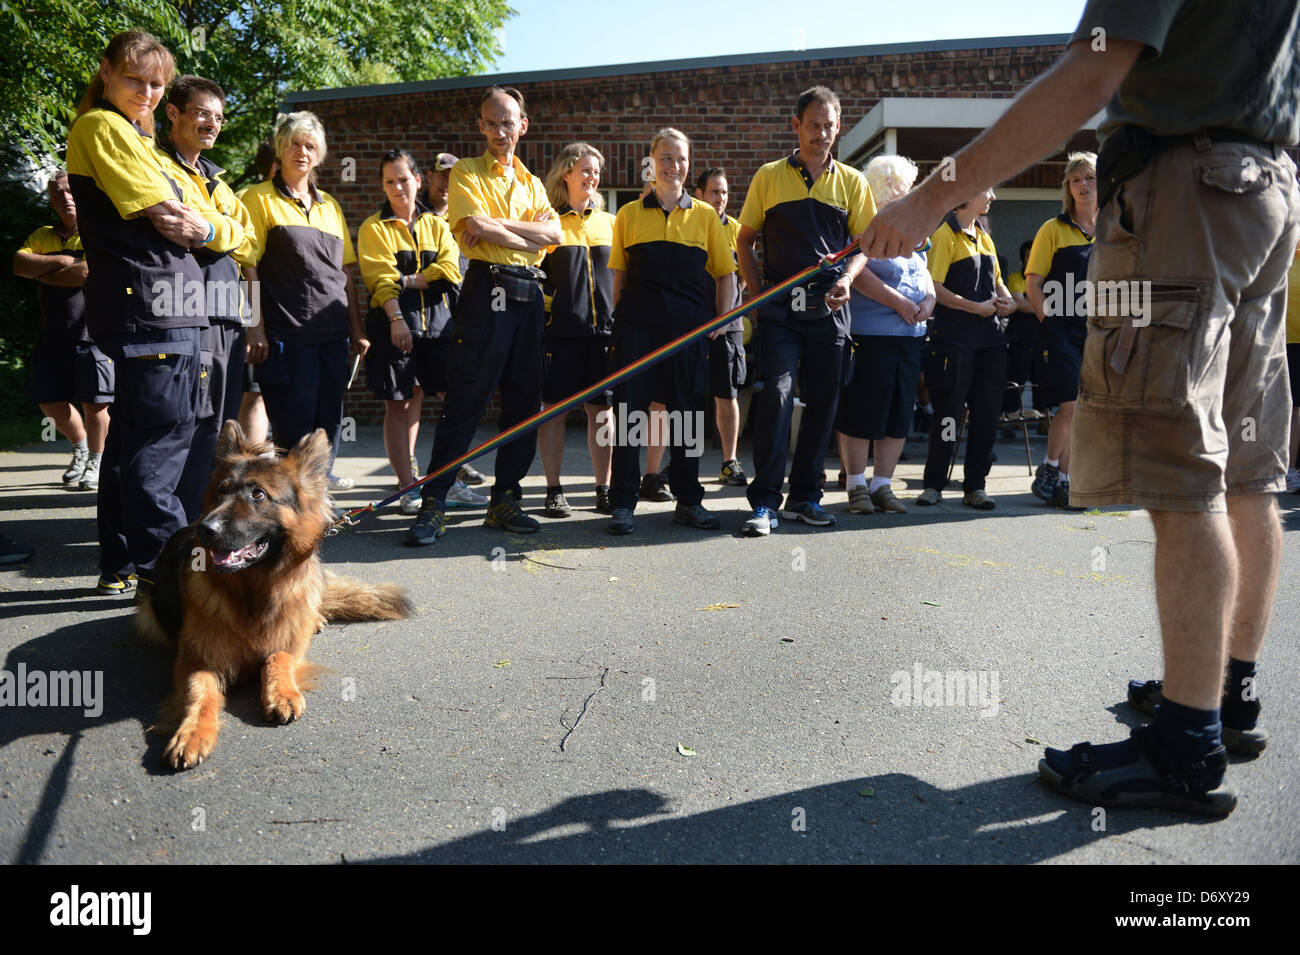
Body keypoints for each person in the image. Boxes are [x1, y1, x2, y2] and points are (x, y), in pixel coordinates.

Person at [860, 0, 1300, 817]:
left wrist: (927, 201)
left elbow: (1091, 74)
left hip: (1188, 191)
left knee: (1181, 464)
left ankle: (1186, 743)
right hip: (1266, 188)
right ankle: (1225, 692)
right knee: (1245, 465)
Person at [66, 29, 213, 596]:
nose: (148, 93)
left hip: (157, 310)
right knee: (161, 450)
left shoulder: (134, 134)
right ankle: (180, 588)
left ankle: (131, 570)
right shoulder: (101, 126)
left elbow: (199, 215)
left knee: (135, 449)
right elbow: (167, 209)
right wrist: (195, 218)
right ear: (106, 72)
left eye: (157, 84)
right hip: (152, 310)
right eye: (135, 80)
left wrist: (200, 219)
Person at [404, 86, 561, 546]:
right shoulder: (465, 173)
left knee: (523, 404)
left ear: (522, 126)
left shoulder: (532, 183)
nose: (499, 131)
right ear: (480, 126)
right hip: (487, 291)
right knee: (466, 402)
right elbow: (474, 227)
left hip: (530, 297)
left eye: (507, 122)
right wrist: (527, 236)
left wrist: (502, 228)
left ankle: (506, 500)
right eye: (490, 123)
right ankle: (433, 502)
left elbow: (553, 235)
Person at [737, 86, 874, 535]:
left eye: (829, 125)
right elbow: (745, 240)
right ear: (795, 125)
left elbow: (865, 246)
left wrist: (848, 280)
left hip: (831, 308)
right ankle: (764, 504)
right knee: (776, 396)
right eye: (813, 124)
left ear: (840, 126)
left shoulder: (853, 182)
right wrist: (757, 296)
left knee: (823, 404)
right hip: (779, 308)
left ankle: (804, 498)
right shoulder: (768, 176)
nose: (821, 133)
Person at [605, 128, 736, 535]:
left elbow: (726, 275)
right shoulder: (628, 214)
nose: (673, 166)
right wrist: (619, 324)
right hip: (637, 331)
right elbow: (618, 278)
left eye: (680, 159)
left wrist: (720, 319)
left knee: (688, 419)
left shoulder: (705, 216)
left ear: (688, 164)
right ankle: (623, 503)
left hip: (686, 333)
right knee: (630, 418)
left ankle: (689, 501)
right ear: (651, 161)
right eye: (665, 157)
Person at [356, 148, 482, 516]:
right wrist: (397, 318)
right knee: (401, 404)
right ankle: (407, 487)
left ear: (418, 180)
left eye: (404, 179)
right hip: (395, 327)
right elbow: (380, 281)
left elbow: (449, 269)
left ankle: (449, 481)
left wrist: (407, 279)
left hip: (440, 328)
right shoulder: (372, 227)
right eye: (389, 181)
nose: (398, 187)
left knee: (454, 399)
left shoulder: (438, 224)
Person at [239, 112, 366, 470]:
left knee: (327, 432)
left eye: (310, 145)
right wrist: (256, 326)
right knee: (293, 435)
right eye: (294, 143)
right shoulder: (258, 198)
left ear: (319, 154)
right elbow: (248, 266)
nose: (302, 152)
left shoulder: (331, 205)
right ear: (281, 149)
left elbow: (345, 273)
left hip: (333, 338)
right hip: (287, 338)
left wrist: (356, 330)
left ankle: (318, 509)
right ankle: (290, 517)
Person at [156, 75, 256, 521]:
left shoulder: (219, 182)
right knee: (186, 427)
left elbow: (248, 240)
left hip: (227, 317)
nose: (212, 124)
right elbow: (181, 224)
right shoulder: (160, 166)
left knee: (215, 426)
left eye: (218, 117)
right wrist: (223, 231)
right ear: (172, 113)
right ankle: (171, 535)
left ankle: (199, 524)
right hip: (187, 313)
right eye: (202, 113)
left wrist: (213, 229)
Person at [835, 155, 934, 515]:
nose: (908, 195)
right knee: (863, 409)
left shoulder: (916, 231)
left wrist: (929, 301)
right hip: (871, 333)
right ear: (884, 190)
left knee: (897, 411)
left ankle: (883, 486)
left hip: (910, 335)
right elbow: (858, 274)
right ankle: (857, 485)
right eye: (902, 189)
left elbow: (926, 276)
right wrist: (898, 304)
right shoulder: (868, 226)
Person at [911, 188, 1015, 510]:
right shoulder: (943, 235)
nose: (993, 196)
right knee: (948, 418)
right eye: (986, 190)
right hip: (954, 343)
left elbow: (998, 280)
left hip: (990, 343)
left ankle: (975, 487)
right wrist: (975, 308)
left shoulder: (984, 235)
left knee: (986, 417)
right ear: (966, 195)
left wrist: (1007, 298)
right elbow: (935, 288)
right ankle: (934, 485)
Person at [12, 171, 111, 491]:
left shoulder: (97, 230)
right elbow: (19, 264)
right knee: (48, 400)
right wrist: (65, 259)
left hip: (93, 334)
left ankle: (97, 462)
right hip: (52, 333)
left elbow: (86, 272)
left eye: (70, 192)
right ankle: (80, 447)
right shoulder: (43, 233)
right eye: (58, 193)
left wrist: (45, 271)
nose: (66, 198)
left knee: (95, 403)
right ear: (51, 199)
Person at [538, 142, 616, 518]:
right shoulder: (549, 221)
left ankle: (604, 487)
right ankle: (553, 490)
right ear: (565, 173)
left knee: (602, 413)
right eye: (585, 169)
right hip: (561, 335)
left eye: (596, 171)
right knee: (552, 411)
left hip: (603, 336)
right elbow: (536, 276)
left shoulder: (609, 222)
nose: (592, 176)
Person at [1026, 152, 1097, 511]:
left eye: (1090, 178)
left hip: (1099, 333)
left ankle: (1064, 481)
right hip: (1062, 330)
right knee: (1069, 404)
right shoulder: (1052, 229)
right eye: (1075, 180)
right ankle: (1051, 469)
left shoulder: (1115, 229)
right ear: (1068, 188)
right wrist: (1047, 321)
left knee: (1082, 410)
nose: (1083, 185)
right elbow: (1033, 283)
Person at [425, 150, 487, 490]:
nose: (448, 183)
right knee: (417, 396)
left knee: (458, 395)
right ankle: (426, 472)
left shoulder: (470, 216)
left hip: (465, 317)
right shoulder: (419, 217)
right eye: (442, 175)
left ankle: (456, 465)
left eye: (454, 177)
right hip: (429, 319)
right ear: (430, 178)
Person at [694, 166, 749, 487]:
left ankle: (729, 462)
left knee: (726, 394)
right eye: (714, 192)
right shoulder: (689, 225)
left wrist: (724, 315)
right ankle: (680, 461)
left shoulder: (739, 232)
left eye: (724, 192)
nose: (720, 199)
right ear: (699, 194)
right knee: (682, 394)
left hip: (728, 328)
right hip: (691, 325)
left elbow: (741, 278)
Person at [235, 139, 277, 446]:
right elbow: (246, 266)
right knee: (254, 393)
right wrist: (255, 323)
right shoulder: (249, 199)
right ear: (275, 166)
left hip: (282, 315)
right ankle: (251, 470)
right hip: (255, 312)